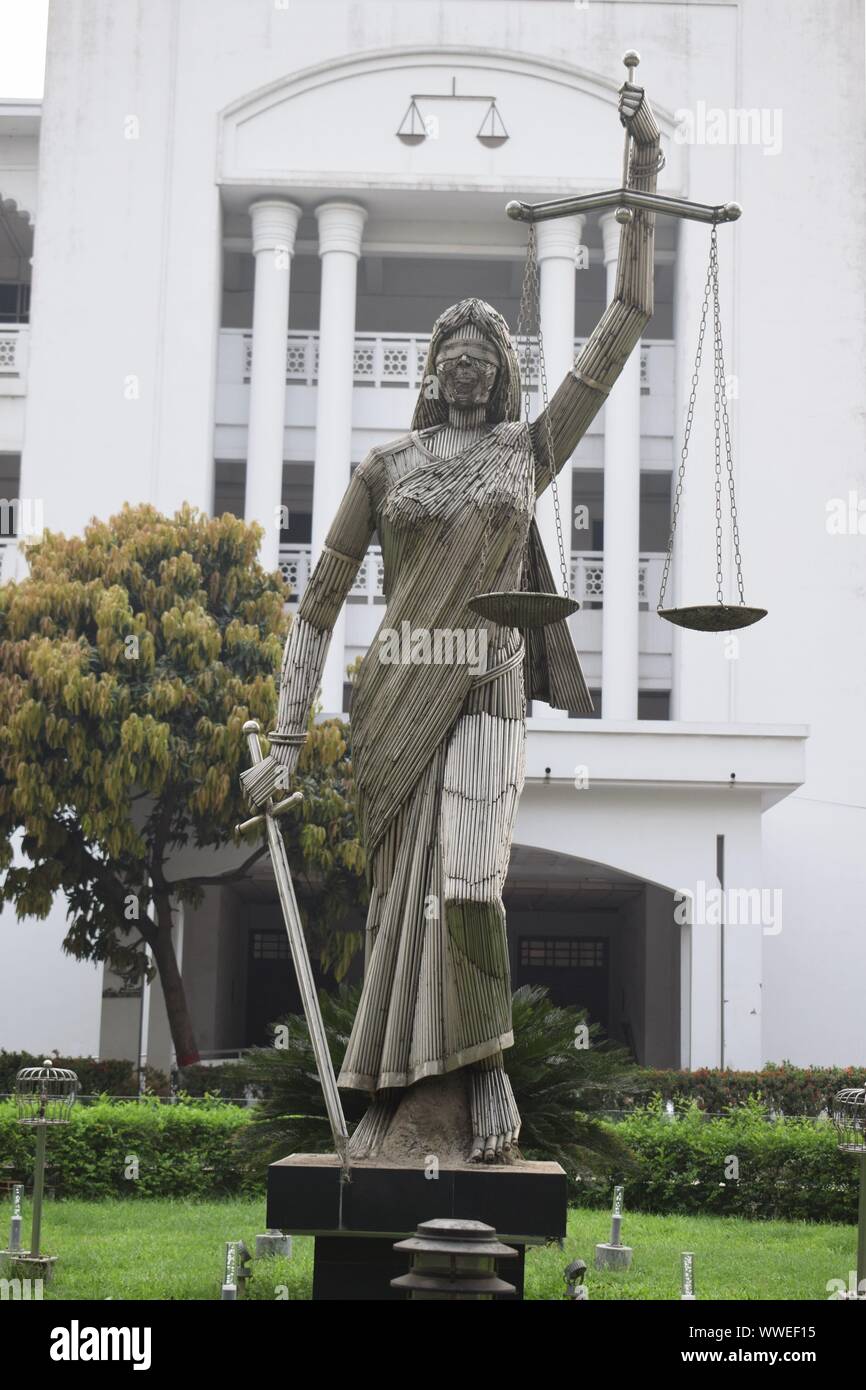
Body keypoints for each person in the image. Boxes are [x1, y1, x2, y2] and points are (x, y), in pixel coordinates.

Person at [242, 81, 661, 1162]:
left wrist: (639, 194)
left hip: (482, 690)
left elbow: (619, 331)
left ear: (504, 371)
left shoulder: (525, 452)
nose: (470, 360)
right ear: (431, 371)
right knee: (396, 904)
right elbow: (320, 596)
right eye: (453, 349)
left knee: (469, 878)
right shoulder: (380, 467)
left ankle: (473, 1078)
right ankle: (391, 1094)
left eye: (487, 348)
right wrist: (286, 735)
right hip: (394, 699)